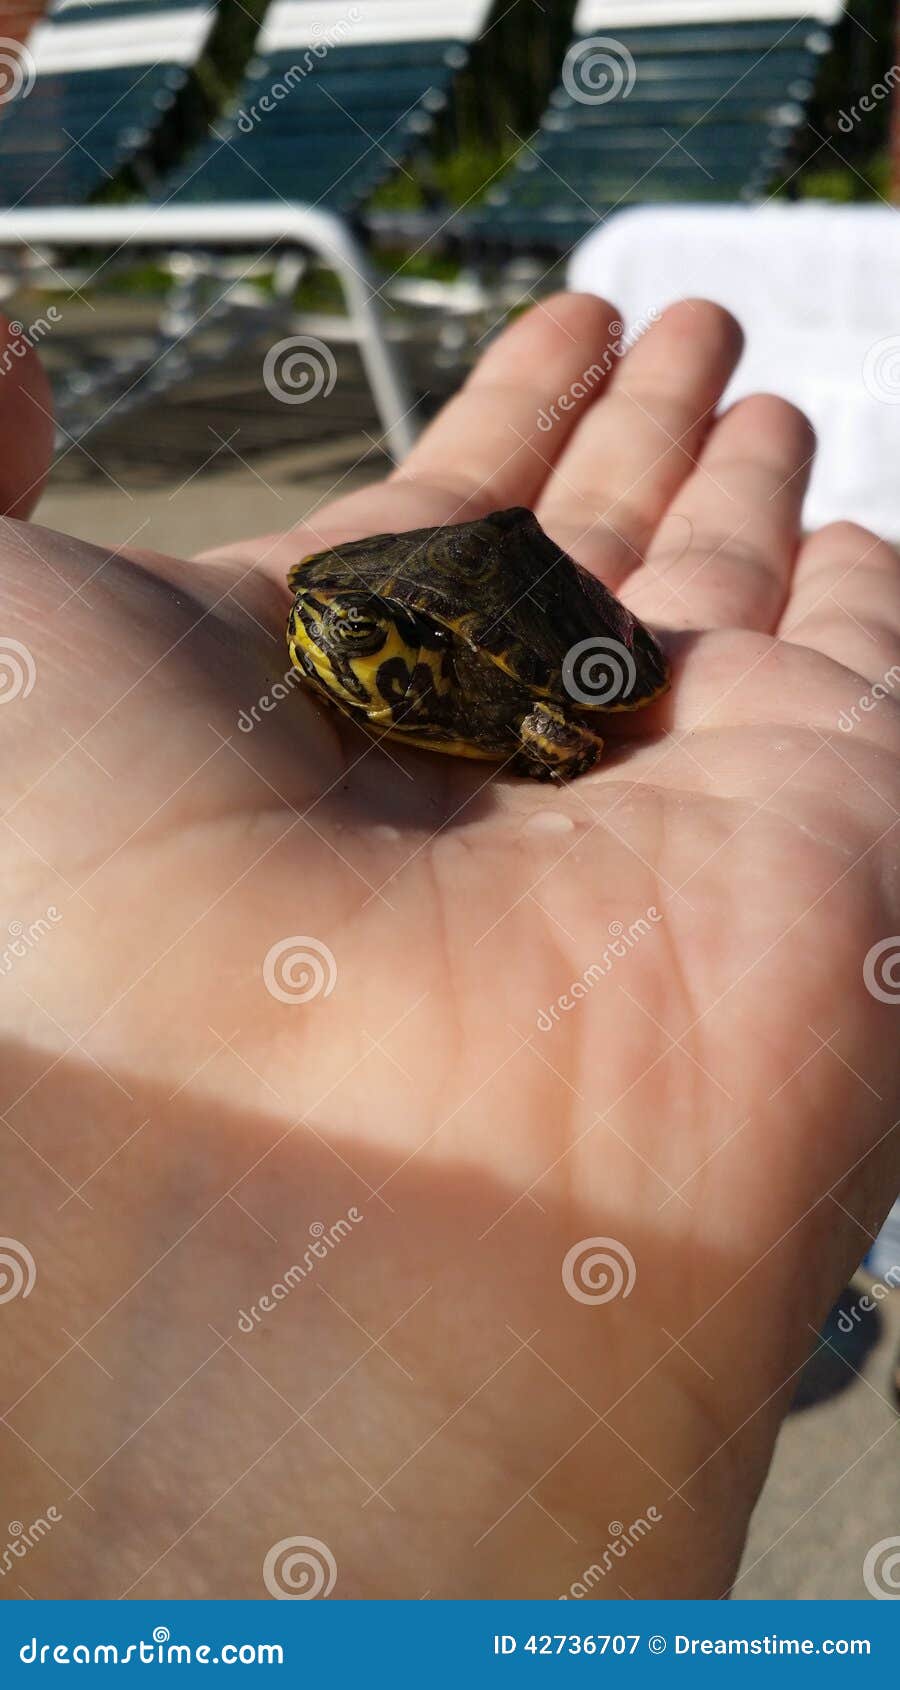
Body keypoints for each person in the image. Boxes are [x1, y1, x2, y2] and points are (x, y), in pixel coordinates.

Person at [1, 295, 897, 1601]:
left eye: (362, 653)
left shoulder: (469, 680)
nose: (328, 653)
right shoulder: (327, 639)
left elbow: (562, 709)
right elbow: (338, 626)